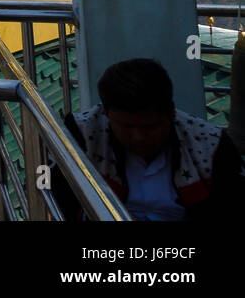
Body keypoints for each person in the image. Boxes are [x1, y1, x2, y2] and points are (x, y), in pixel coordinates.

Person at [52, 58, 244, 221]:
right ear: (106, 114)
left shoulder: (212, 147)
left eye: (149, 127)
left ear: (171, 113)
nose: (139, 137)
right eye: (127, 127)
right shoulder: (81, 135)